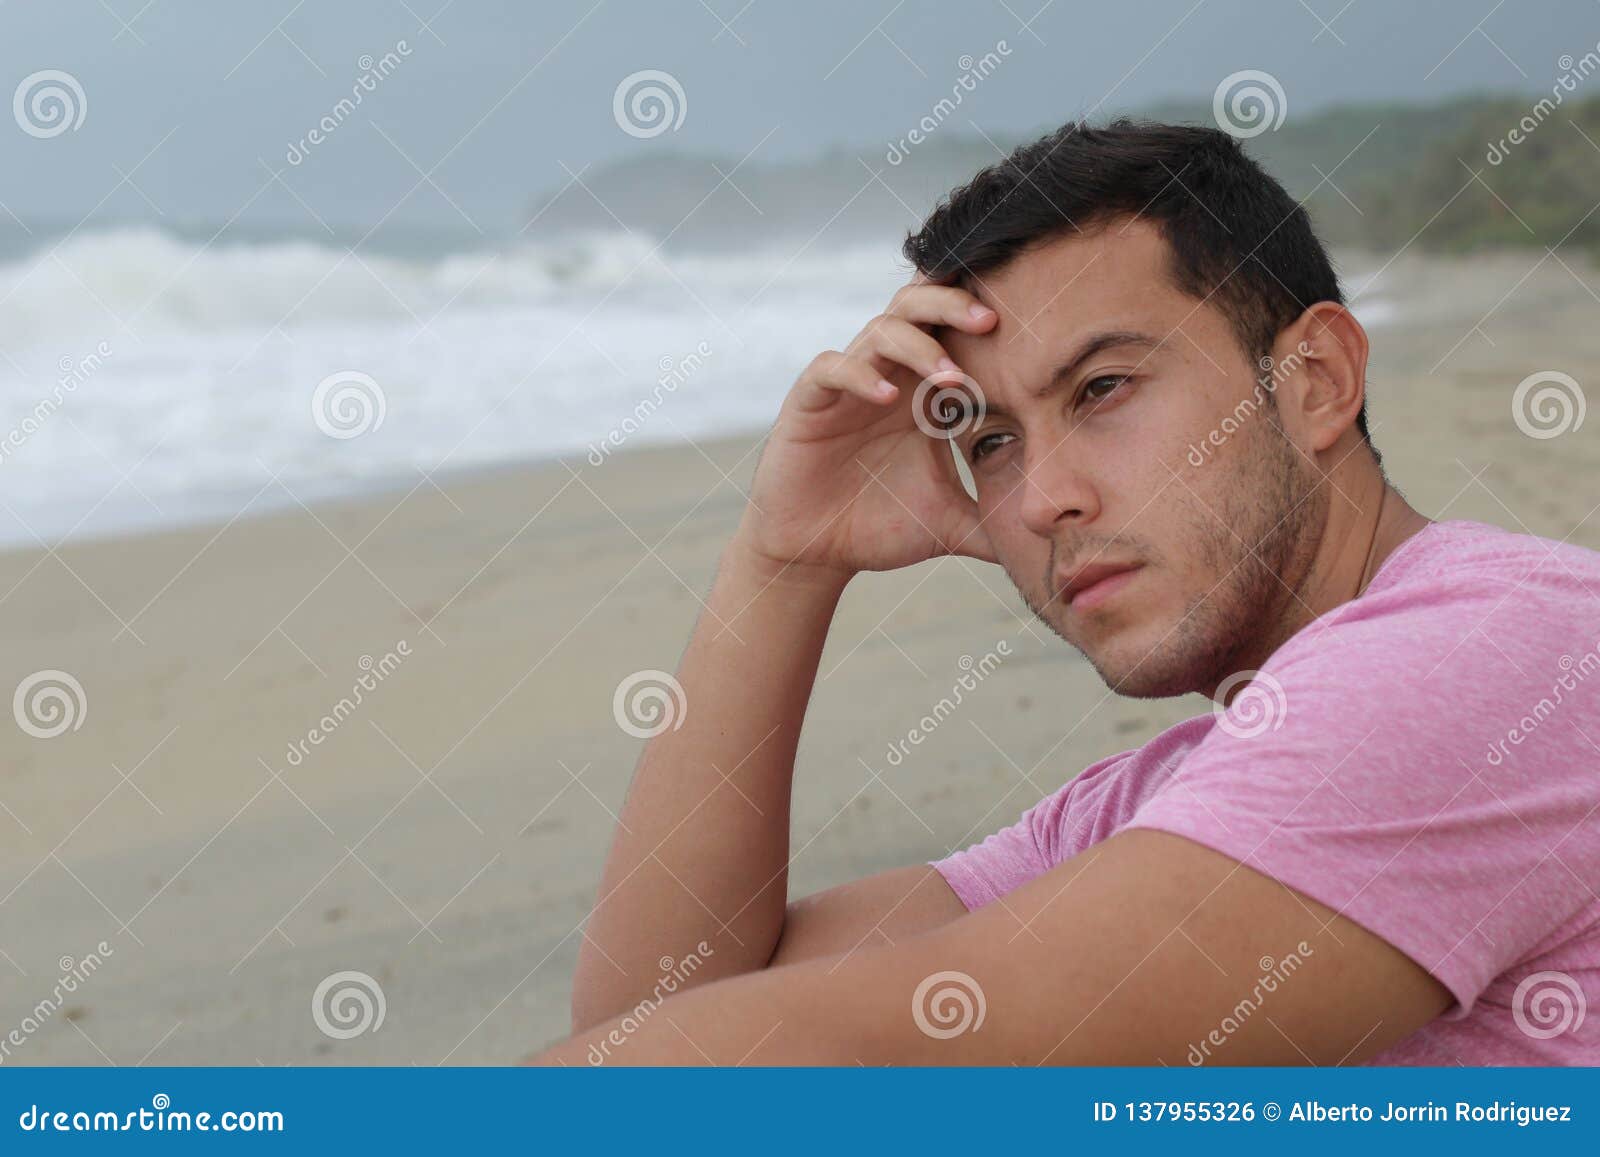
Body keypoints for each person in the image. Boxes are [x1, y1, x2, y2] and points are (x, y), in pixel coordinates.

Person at [533, 120, 1600, 1066]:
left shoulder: (1492, 655)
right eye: (990, 440)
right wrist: (784, 559)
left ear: (1314, 379)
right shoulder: (1147, 802)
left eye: (1102, 389)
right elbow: (649, 1019)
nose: (1042, 498)